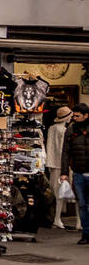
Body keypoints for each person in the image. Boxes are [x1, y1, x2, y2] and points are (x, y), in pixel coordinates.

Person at [59, 103, 89, 244]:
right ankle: (86, 233)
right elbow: (65, 153)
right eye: (74, 116)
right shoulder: (70, 131)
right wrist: (64, 172)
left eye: (77, 116)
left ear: (86, 116)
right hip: (78, 172)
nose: (75, 118)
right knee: (82, 204)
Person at [48, 106, 73, 230]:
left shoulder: (52, 129)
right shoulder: (64, 131)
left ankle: (56, 218)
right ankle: (57, 218)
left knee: (56, 192)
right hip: (62, 165)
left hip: (53, 164)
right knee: (62, 193)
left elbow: (50, 148)